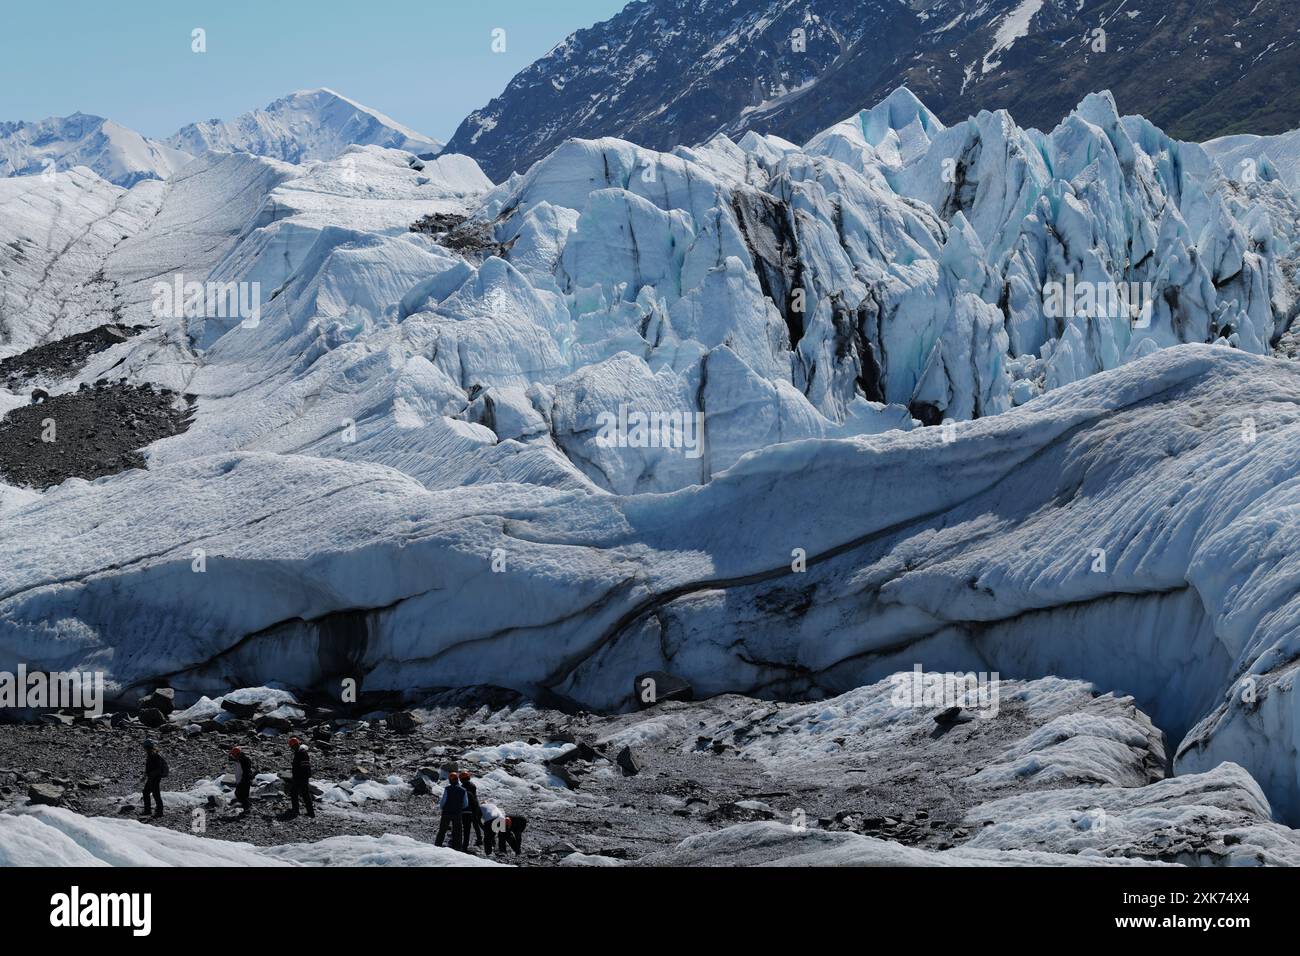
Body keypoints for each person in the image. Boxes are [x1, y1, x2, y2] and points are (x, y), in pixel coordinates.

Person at [283, 737, 314, 819]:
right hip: (301, 776)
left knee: (296, 793)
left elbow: (304, 767)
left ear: (295, 745)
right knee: (304, 794)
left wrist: (298, 776)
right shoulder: (300, 752)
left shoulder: (301, 753)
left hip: (300, 777)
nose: (292, 748)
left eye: (292, 747)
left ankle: (296, 810)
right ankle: (310, 812)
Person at [435, 771, 467, 849]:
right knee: (458, 831)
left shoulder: (447, 789)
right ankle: (458, 847)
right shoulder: (463, 790)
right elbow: (466, 804)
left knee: (442, 830)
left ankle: (437, 845)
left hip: (447, 812)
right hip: (457, 812)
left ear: (450, 780)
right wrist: (459, 808)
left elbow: (443, 801)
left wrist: (443, 808)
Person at [140, 739, 166, 818]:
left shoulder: (153, 755)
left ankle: (158, 812)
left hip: (154, 778)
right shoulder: (151, 754)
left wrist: (149, 775)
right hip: (152, 777)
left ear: (147, 747)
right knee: (147, 792)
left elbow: (156, 768)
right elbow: (149, 768)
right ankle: (149, 810)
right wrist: (145, 776)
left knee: (155, 794)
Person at [459, 770, 484, 851]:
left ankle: (465, 844)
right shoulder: (473, 785)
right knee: (476, 824)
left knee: (466, 827)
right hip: (475, 807)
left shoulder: (462, 788)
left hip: (466, 809)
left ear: (461, 779)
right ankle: (480, 839)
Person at [228, 746, 253, 816]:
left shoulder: (244, 761)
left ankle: (247, 808)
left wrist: (242, 781)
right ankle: (247, 806)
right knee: (241, 794)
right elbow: (231, 759)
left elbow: (246, 772)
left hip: (244, 780)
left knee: (241, 795)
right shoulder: (239, 759)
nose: (233, 756)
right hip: (241, 780)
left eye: (233, 755)